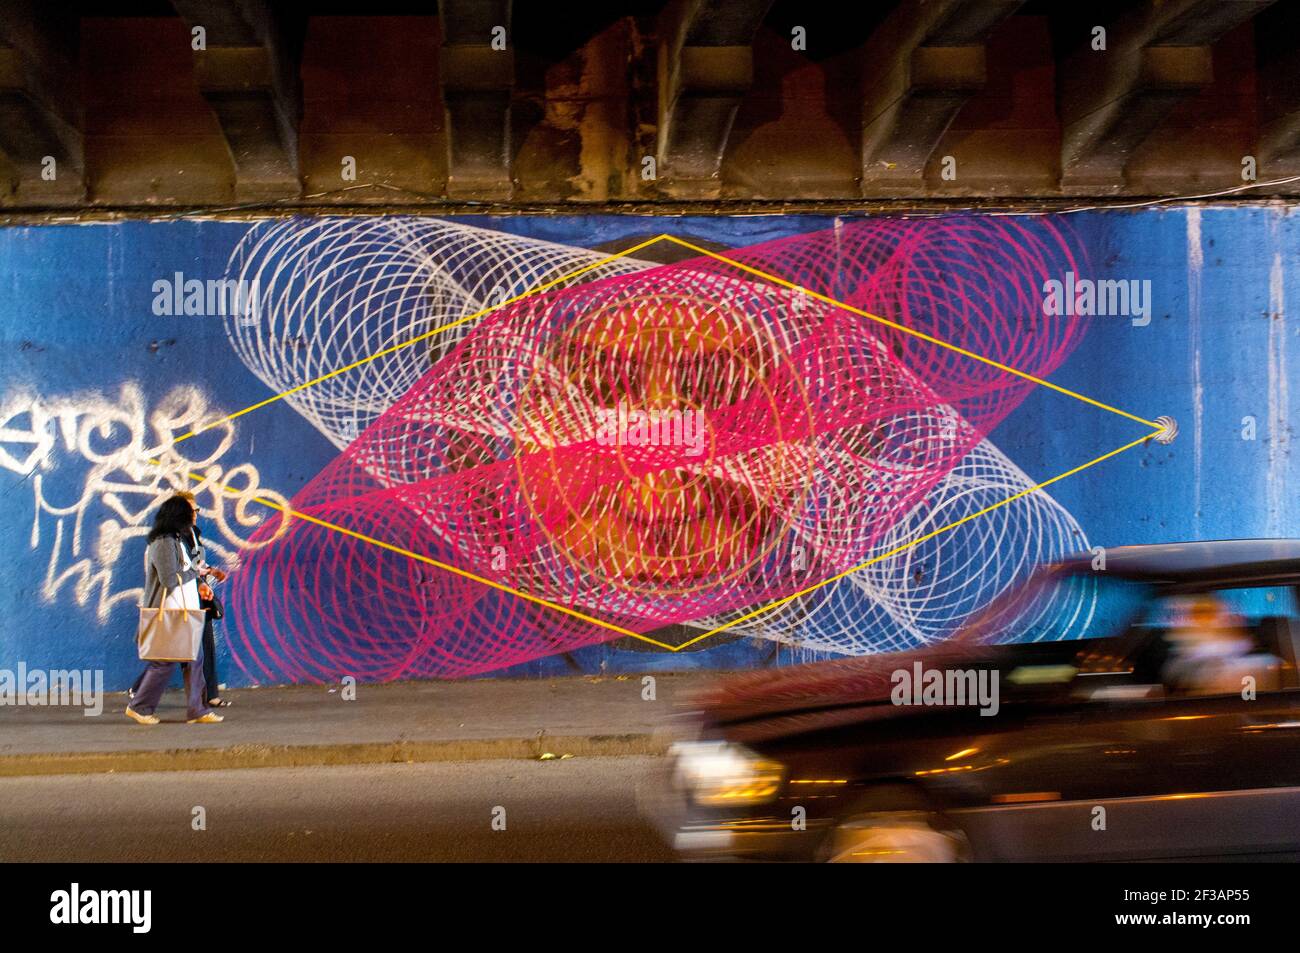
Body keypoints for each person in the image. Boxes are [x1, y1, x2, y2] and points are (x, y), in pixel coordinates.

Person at [125, 494, 223, 725]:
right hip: (169, 611)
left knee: (194, 659)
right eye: (191, 511)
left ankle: (197, 711)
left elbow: (183, 574)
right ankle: (139, 706)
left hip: (184, 610)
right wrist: (198, 574)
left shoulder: (178, 540)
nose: (194, 515)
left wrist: (198, 582)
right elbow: (170, 579)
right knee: (165, 662)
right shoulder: (163, 542)